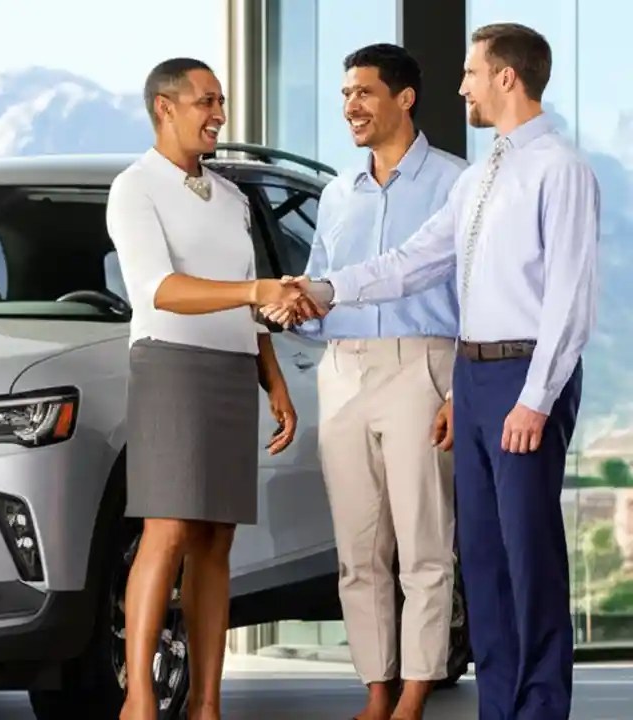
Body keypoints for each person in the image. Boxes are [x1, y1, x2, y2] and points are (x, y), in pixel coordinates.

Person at [268, 23, 598, 719]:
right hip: (474, 379)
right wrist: (326, 291)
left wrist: (536, 400)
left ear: (507, 78)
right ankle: (499, 707)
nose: (462, 87)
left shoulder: (560, 168)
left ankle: (539, 710)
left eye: (472, 73)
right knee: (482, 561)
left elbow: (571, 296)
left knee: (528, 556)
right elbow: (411, 262)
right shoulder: (479, 177)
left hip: (523, 376)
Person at [107, 57, 304, 720]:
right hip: (171, 365)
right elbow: (158, 289)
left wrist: (271, 378)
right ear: (166, 107)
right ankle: (139, 696)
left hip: (228, 370)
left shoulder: (229, 196)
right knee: (167, 529)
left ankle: (207, 704)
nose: (218, 113)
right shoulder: (135, 189)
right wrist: (253, 292)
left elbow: (249, 302)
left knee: (216, 538)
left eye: (221, 100)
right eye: (206, 101)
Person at [291, 43, 467, 720]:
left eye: (363, 93)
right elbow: (323, 295)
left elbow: (474, 290)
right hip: (343, 370)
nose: (350, 108)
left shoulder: (457, 183)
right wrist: (293, 308)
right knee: (358, 548)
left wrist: (460, 390)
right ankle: (376, 688)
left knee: (425, 541)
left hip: (422, 363)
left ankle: (418, 687)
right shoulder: (337, 193)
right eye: (343, 96)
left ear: (405, 98)